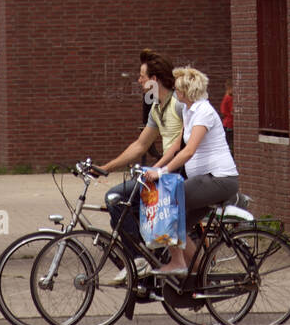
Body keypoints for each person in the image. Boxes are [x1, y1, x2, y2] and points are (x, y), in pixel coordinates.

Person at [144, 65, 239, 275]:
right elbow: (175, 147)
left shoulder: (204, 112)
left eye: (178, 89)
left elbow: (188, 151)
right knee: (179, 227)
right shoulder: (189, 111)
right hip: (206, 180)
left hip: (219, 179)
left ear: (186, 92)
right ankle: (202, 277)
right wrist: (154, 167)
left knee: (165, 203)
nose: (175, 93)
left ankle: (178, 264)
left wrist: (161, 173)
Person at [98, 51, 183, 276]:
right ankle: (149, 255)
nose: (139, 81)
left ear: (154, 80)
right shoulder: (156, 109)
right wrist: (106, 168)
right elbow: (140, 145)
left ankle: (140, 257)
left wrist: (159, 167)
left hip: (177, 172)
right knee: (124, 202)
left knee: (116, 200)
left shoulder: (178, 105)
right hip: (166, 171)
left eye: (142, 76)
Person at [219, 82, 234, 155]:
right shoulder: (229, 99)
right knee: (230, 142)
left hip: (226, 122)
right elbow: (232, 111)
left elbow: (223, 110)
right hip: (230, 123)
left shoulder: (225, 98)